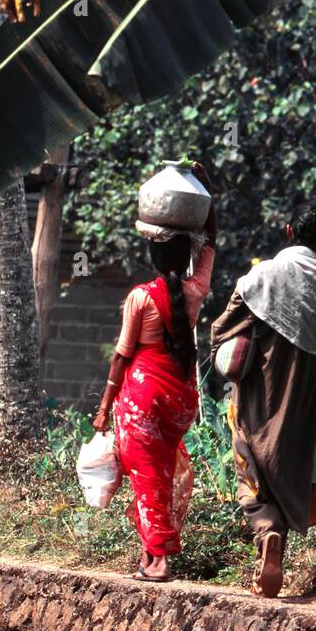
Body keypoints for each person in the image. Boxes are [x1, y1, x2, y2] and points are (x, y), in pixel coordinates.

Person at [210, 203, 316, 597]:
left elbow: (223, 327)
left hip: (260, 384)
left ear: (288, 231)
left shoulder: (264, 274)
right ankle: (276, 551)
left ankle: (267, 533)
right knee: (287, 462)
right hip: (304, 390)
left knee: (248, 458)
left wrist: (229, 345)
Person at [92, 163, 216, 582]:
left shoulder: (140, 297)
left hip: (143, 398)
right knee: (157, 471)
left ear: (152, 252)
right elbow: (210, 245)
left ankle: (160, 558)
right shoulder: (195, 292)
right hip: (179, 398)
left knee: (145, 474)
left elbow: (121, 357)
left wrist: (104, 407)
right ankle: (149, 554)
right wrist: (206, 192)